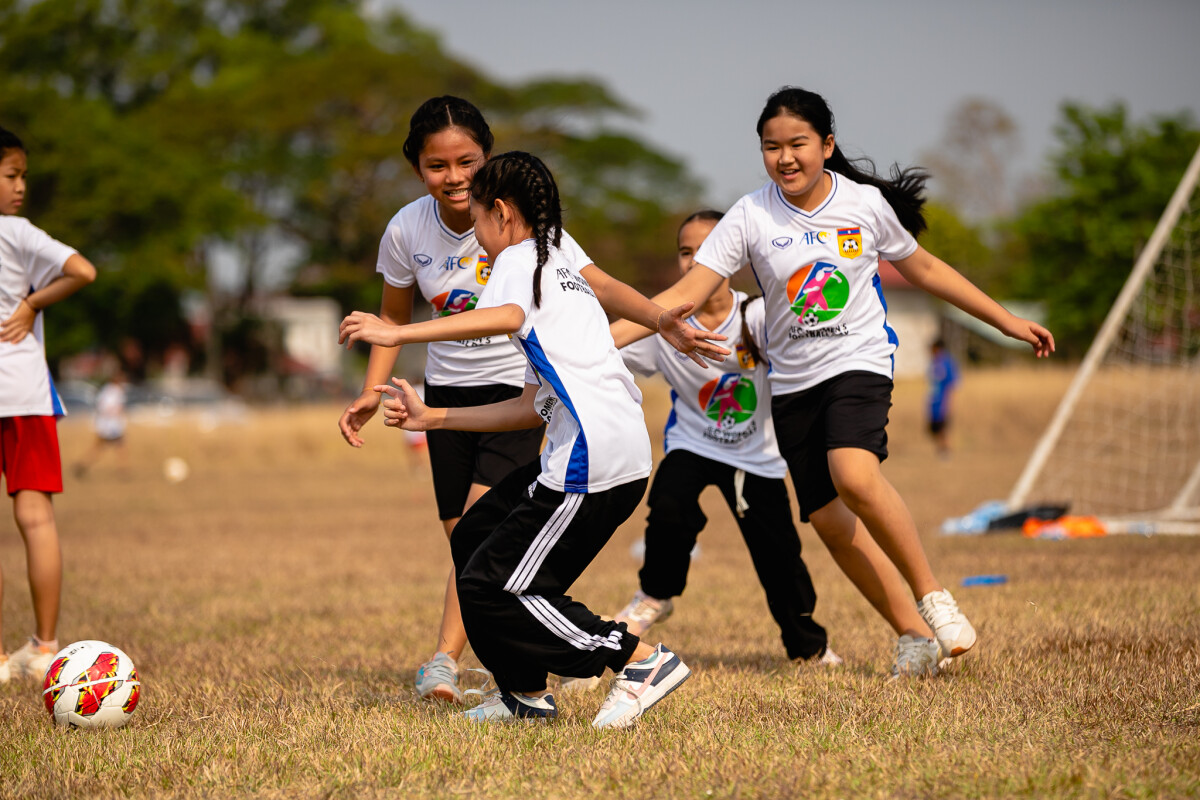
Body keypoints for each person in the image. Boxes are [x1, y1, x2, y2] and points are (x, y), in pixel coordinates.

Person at [619, 87, 1054, 676]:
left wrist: (1006, 321)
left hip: (858, 362)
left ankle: (935, 599)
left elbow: (924, 268)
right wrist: (595, 339)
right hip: (794, 385)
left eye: (798, 144)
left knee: (853, 473)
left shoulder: (864, 205)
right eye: (772, 147)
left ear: (826, 145)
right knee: (826, 518)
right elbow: (682, 295)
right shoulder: (750, 215)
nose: (785, 157)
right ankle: (911, 634)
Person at [339, 151, 727, 727]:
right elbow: (529, 405)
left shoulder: (518, 258)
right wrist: (433, 417)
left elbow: (502, 316)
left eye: (476, 218)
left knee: (500, 589)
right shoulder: (559, 254)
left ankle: (640, 660)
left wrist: (399, 330)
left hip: (590, 460)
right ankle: (524, 693)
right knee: (473, 538)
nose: (474, 233)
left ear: (499, 212)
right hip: (598, 449)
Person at [336, 97, 550, 703]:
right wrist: (370, 394)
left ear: (488, 155)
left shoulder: (517, 217)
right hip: (444, 398)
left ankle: (443, 660)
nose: (454, 177)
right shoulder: (406, 229)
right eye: (438, 166)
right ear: (417, 168)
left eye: (467, 161)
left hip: (517, 389)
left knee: (484, 531)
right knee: (464, 540)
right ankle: (511, 645)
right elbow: (392, 317)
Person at [608, 210, 840, 666]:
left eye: (707, 250)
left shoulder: (760, 315)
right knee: (669, 506)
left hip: (757, 455)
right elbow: (603, 352)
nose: (695, 261)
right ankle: (655, 595)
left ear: (731, 257)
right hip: (693, 442)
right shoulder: (658, 322)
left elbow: (810, 365)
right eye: (685, 252)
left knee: (779, 557)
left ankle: (809, 647)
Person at [0, 126, 97, 682]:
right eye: (12, 175)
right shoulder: (15, 232)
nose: (21, 187)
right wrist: (33, 302)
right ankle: (43, 649)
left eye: (24, 176)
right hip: (24, 395)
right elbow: (82, 270)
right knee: (36, 519)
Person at [72, 367, 130, 478]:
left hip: (108, 425)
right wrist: (115, 412)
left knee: (119, 447)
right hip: (110, 426)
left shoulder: (107, 390)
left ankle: (123, 469)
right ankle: (83, 464)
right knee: (100, 448)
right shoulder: (114, 391)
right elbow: (108, 408)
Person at [927, 339, 958, 457]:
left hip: (943, 402)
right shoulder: (933, 363)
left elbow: (952, 384)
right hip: (933, 402)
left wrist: (949, 403)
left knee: (944, 428)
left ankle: (947, 451)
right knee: (933, 429)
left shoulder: (947, 362)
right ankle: (940, 450)